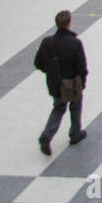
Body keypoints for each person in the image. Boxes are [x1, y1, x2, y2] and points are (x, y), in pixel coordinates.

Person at [33, 10, 88, 155]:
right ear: (69, 23)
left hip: (54, 83)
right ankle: (75, 133)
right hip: (72, 83)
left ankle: (47, 135)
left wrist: (50, 71)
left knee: (58, 108)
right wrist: (83, 81)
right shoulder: (75, 43)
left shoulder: (47, 42)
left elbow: (38, 63)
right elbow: (81, 66)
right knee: (75, 106)